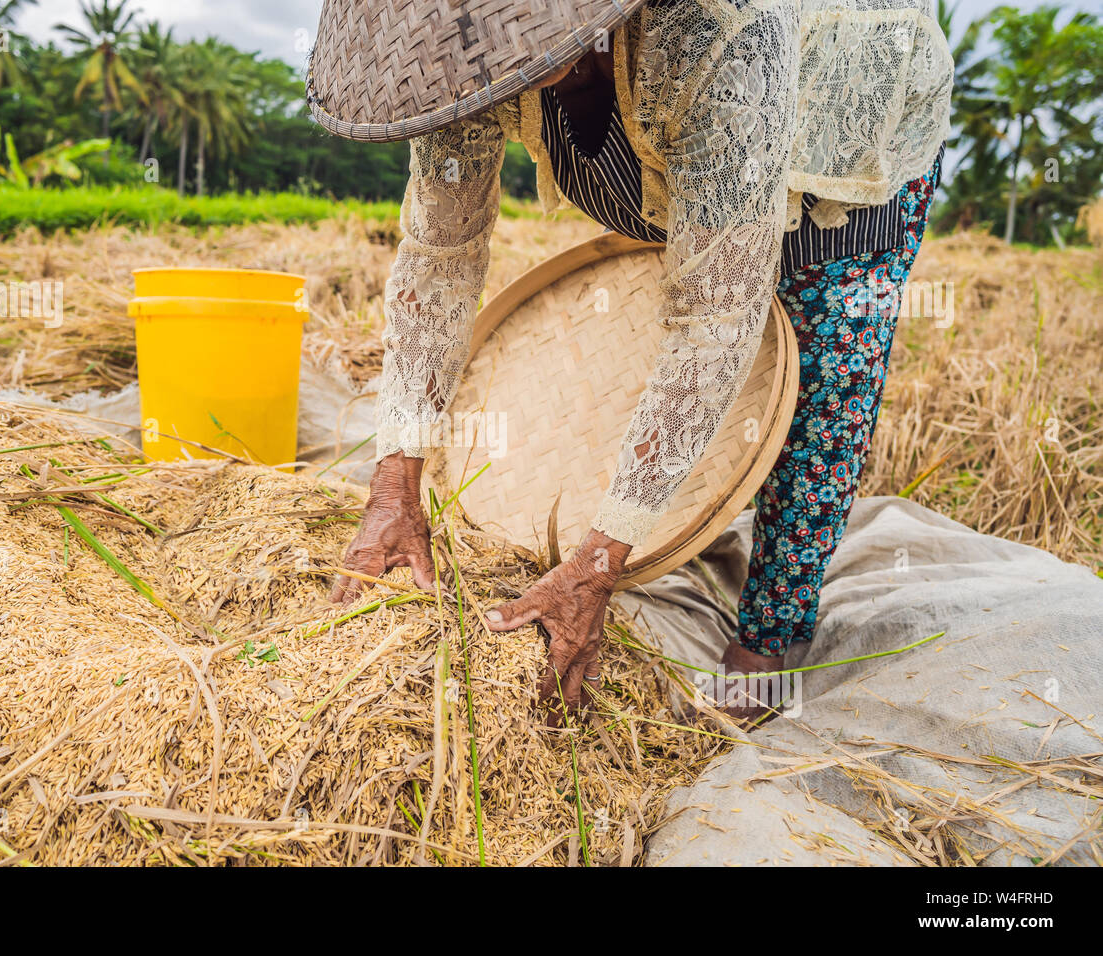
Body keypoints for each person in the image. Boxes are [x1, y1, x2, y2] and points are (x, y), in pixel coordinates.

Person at [307, 0, 953, 722]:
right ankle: (662, 509)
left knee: (825, 388)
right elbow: (439, 260)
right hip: (700, 142)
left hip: (842, 138)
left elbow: (714, 319)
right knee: (673, 317)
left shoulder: (722, 27)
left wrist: (596, 567)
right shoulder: (457, 56)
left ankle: (767, 643)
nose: (493, 52)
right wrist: (394, 485)